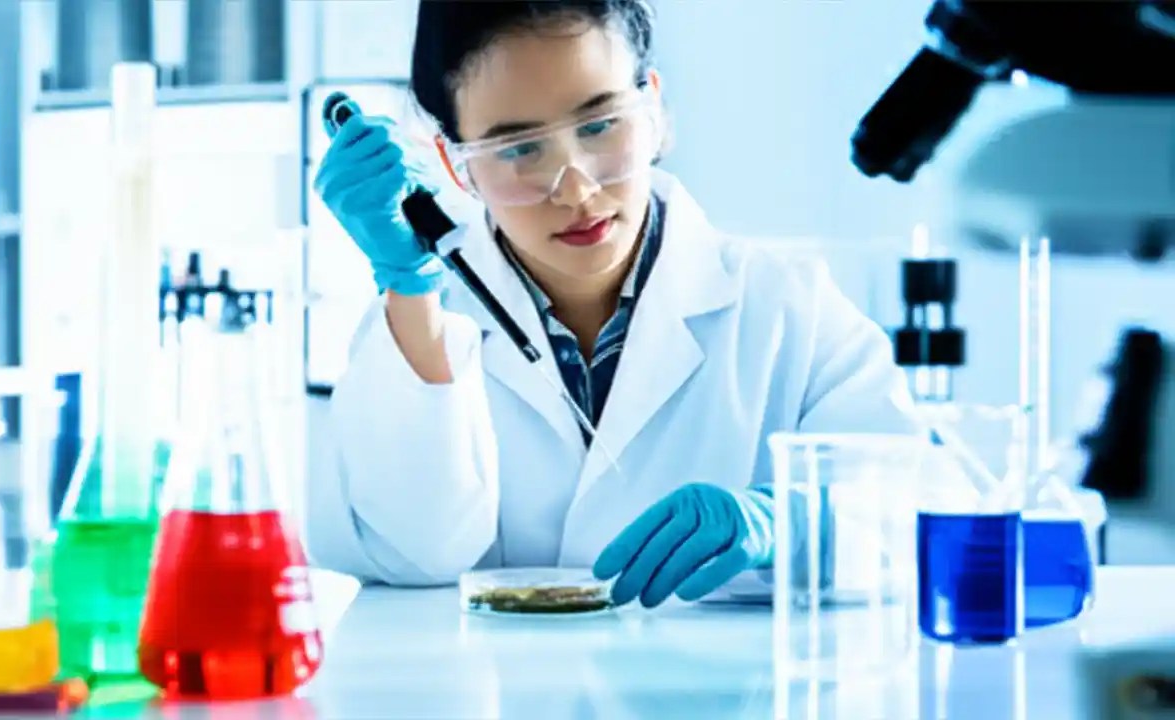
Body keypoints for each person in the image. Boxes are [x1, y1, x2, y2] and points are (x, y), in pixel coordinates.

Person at [308, 0, 919, 608]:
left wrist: (794, 523)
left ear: (653, 110)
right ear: (454, 164)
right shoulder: (425, 325)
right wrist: (409, 290)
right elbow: (411, 553)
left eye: (600, 126)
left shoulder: (787, 308)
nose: (576, 188)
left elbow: (917, 518)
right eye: (520, 149)